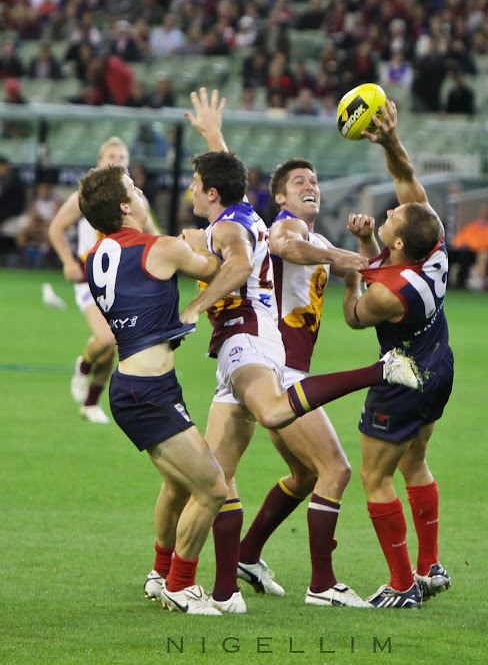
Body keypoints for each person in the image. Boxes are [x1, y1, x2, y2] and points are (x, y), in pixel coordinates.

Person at [179, 88, 421, 614]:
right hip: (277, 368)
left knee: (264, 477)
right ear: (280, 199)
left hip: (256, 362)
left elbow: (353, 310)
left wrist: (358, 253)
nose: (310, 186)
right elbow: (289, 247)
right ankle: (322, 583)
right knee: (334, 470)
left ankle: (223, 567)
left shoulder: (297, 230)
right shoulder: (288, 228)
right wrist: (352, 258)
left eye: (314, 181)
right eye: (298, 183)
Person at [78, 164, 226, 615]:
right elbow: (216, 267)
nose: (142, 194)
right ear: (125, 206)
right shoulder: (161, 248)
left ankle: (160, 574)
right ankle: (181, 587)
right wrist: (199, 244)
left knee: (177, 487)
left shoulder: (96, 256)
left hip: (133, 384)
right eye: (135, 189)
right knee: (213, 489)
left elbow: (136, 302)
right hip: (149, 390)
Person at [343, 99, 453, 609]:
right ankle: (430, 567)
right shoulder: (432, 246)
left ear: (402, 241)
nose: (389, 210)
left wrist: (353, 270)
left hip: (404, 376)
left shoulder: (391, 294)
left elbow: (355, 315)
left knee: (374, 476)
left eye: (391, 218)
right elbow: (407, 176)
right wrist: (389, 139)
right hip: (439, 366)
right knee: (415, 463)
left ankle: (402, 582)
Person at [48, 137, 158, 423]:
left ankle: (90, 403)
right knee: (107, 338)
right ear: (99, 162)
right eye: (111, 155)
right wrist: (68, 262)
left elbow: (153, 237)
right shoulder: (86, 196)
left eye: (121, 156)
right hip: (90, 276)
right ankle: (84, 366)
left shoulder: (136, 199)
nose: (116, 160)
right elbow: (56, 228)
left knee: (114, 344)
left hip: (123, 280)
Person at [448, 202, 488, 290]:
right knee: (450, 252)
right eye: (483, 211)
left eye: (487, 211)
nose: (484, 213)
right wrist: (463, 244)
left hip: (479, 252)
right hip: (467, 250)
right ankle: (446, 282)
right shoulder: (474, 225)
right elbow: (459, 238)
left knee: (468, 254)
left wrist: (471, 245)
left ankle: (465, 282)